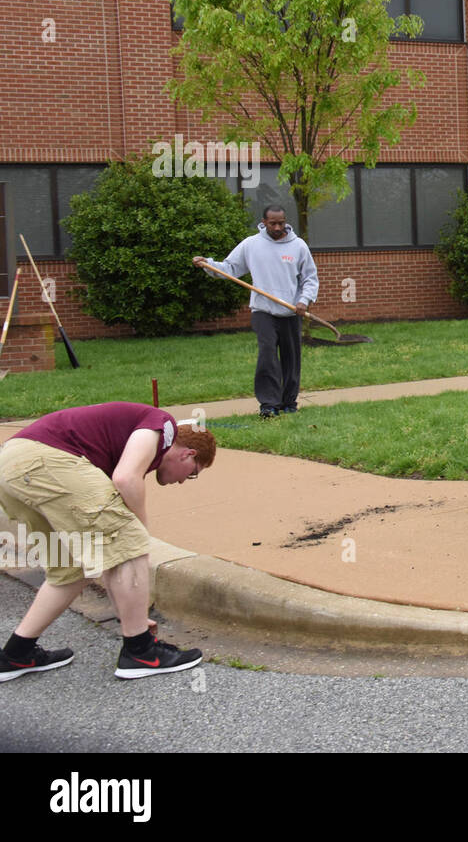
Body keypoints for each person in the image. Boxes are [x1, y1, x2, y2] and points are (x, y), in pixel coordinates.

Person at [0, 402, 214, 681]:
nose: (186, 481)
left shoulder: (109, 446)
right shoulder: (163, 425)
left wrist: (130, 613)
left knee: (71, 569)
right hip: (46, 462)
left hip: (12, 466)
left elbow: (110, 554)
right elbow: (125, 479)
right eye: (193, 472)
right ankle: (141, 653)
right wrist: (139, 530)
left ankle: (17, 654)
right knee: (131, 538)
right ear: (188, 454)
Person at [195, 206, 319, 417]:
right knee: (267, 355)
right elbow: (230, 268)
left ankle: (289, 402)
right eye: (273, 223)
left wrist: (303, 300)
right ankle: (269, 405)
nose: (278, 227)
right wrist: (208, 264)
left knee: (291, 358)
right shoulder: (251, 245)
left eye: (281, 223)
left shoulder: (298, 246)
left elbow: (310, 278)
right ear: (264, 222)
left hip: (291, 312)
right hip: (263, 311)